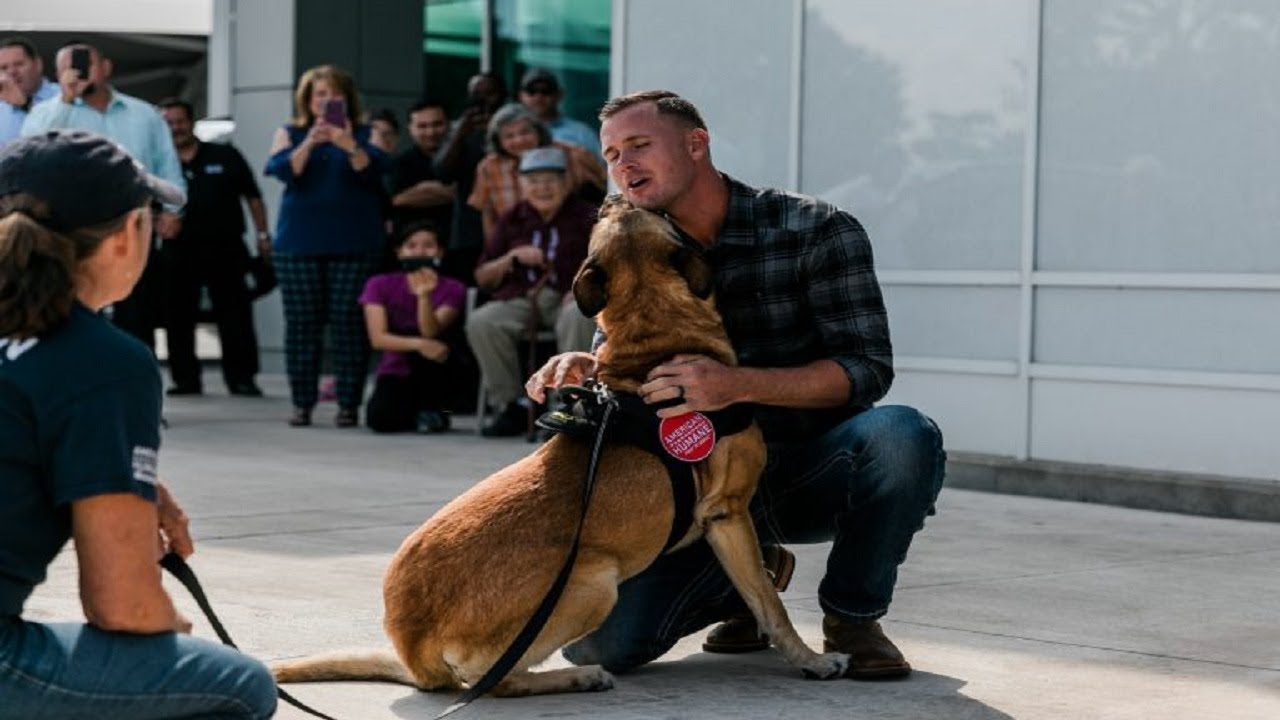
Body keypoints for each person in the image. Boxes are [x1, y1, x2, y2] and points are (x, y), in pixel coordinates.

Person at [527, 91, 946, 678]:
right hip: (691, 493)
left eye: (640, 145)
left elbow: (865, 369)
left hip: (805, 471)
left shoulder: (815, 230)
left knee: (902, 437)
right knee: (600, 649)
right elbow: (620, 353)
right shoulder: (629, 236)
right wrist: (584, 362)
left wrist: (735, 384)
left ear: (697, 144)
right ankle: (744, 582)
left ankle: (853, 617)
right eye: (613, 153)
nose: (623, 165)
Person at [0, 130, 276, 720]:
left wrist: (135, 483)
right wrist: (167, 631)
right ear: (129, 234)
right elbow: (121, 604)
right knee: (238, 686)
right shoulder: (103, 361)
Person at [22, 41, 185, 352]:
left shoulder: (144, 114)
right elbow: (33, 154)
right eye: (69, 66)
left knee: (137, 314)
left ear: (106, 68)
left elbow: (166, 163)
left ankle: (135, 377)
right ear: (57, 74)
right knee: (71, 307)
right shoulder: (47, 113)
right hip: (69, 228)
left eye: (86, 64)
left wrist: (174, 211)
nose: (79, 72)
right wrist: (67, 101)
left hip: (132, 224)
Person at [265, 64, 390, 429]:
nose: (326, 101)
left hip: (355, 242)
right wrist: (311, 141)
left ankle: (348, 405)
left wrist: (348, 144)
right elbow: (284, 171)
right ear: (307, 99)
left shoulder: (368, 134)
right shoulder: (290, 132)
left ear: (346, 98)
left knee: (349, 326)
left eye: (333, 94)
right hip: (299, 244)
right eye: (319, 94)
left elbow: (375, 171)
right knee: (302, 326)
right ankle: (302, 404)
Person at [467, 146, 598, 437]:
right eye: (534, 181)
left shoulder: (587, 215)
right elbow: (482, 275)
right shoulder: (512, 218)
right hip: (521, 297)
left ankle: (568, 405)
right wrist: (511, 258)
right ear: (522, 186)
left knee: (579, 315)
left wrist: (583, 285)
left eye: (551, 180)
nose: (543, 188)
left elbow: (606, 262)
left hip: (569, 296)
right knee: (482, 321)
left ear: (566, 182)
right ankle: (513, 405)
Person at [159, 98, 270, 398]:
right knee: (178, 316)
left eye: (180, 121)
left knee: (235, 314)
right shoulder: (159, 162)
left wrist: (262, 236)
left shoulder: (225, 154)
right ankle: (185, 380)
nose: (175, 128)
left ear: (192, 123)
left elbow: (253, 197)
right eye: (168, 123)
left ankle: (242, 378)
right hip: (179, 250)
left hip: (226, 247)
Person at [360, 220, 467, 433]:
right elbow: (378, 338)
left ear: (440, 252)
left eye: (428, 245)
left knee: (432, 356)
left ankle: (433, 410)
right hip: (397, 363)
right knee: (380, 420)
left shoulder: (454, 288)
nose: (420, 251)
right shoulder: (378, 284)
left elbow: (430, 331)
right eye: (411, 245)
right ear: (399, 252)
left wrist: (424, 297)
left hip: (436, 365)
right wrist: (419, 344)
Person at [467, 102, 606, 244]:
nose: (519, 140)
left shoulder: (571, 154)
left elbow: (604, 187)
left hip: (568, 241)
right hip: (515, 244)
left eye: (525, 132)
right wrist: (494, 250)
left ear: (538, 131)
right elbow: (488, 213)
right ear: (498, 141)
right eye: (509, 136)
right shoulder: (488, 167)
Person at [433, 72, 506, 281]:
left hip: (507, 221)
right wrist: (462, 133)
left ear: (502, 95)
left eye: (489, 94)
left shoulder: (513, 129)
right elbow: (442, 172)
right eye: (476, 95)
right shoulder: (461, 130)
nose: (483, 100)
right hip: (468, 227)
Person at [388, 98, 454, 268]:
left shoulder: (465, 159)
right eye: (422, 126)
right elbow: (396, 200)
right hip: (411, 250)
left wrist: (423, 190)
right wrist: (449, 192)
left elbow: (466, 194)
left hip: (455, 247)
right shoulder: (400, 163)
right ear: (410, 129)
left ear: (448, 125)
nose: (431, 132)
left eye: (437, 124)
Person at [517, 67, 600, 158]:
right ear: (521, 96)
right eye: (531, 91)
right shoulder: (512, 134)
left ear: (559, 94)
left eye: (546, 91)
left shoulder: (582, 133)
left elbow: (600, 168)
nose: (538, 96)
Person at [0, 37, 57, 145]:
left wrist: (24, 106)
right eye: (3, 68)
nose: (12, 72)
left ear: (38, 65)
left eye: (19, 64)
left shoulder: (66, 96)